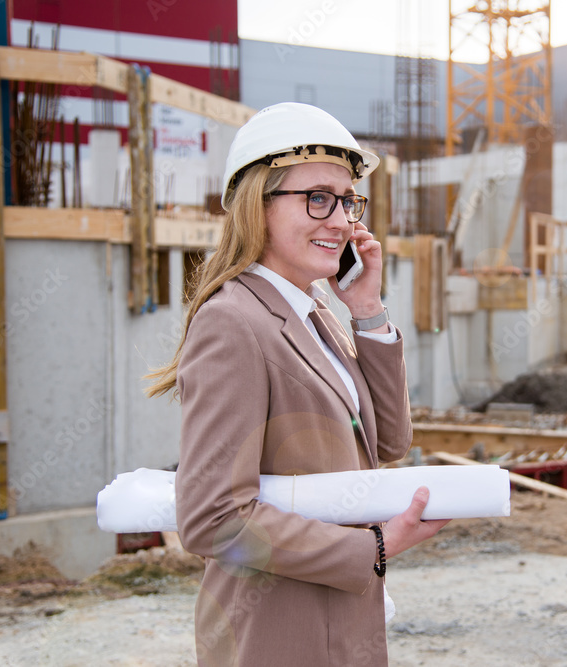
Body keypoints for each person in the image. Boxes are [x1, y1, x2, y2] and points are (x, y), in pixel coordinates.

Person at [146, 102, 448, 666]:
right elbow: (213, 519)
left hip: (336, 626)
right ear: (256, 206)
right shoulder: (234, 322)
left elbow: (388, 442)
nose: (342, 221)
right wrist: (373, 548)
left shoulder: (316, 313)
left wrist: (367, 311)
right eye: (318, 198)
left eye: (348, 200)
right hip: (276, 634)